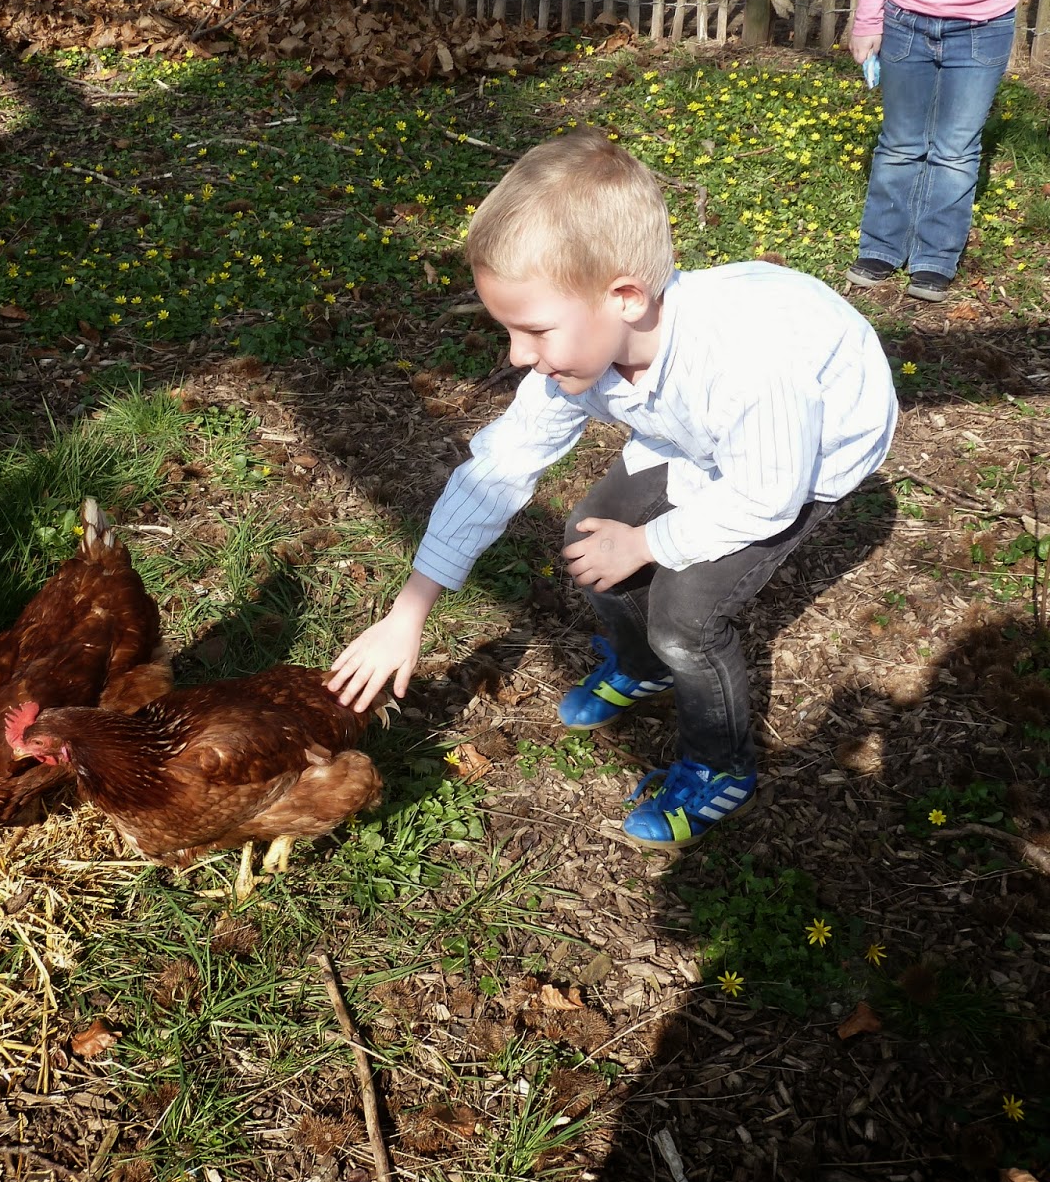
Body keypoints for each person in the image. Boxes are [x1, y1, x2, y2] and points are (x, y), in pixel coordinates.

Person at [327, 132, 898, 847]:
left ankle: (721, 764)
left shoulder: (746, 364)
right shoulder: (584, 354)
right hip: (695, 435)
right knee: (588, 537)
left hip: (806, 458)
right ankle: (641, 665)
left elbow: (767, 493)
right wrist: (410, 610)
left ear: (624, 296)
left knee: (686, 616)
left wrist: (652, 541)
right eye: (508, 329)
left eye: (532, 329)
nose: (516, 355)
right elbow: (502, 464)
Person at [847, 0, 1050, 302]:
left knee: (956, 148)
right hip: (907, 17)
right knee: (899, 141)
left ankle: (935, 256)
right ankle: (882, 245)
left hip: (982, 25)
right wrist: (868, 17)